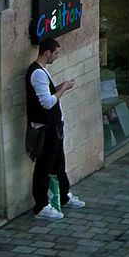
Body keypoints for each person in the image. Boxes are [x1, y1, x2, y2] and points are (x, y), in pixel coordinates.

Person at [27, 38, 85, 219]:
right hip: (46, 129)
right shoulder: (37, 73)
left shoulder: (42, 72)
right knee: (44, 166)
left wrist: (60, 86)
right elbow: (47, 102)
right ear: (47, 53)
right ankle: (41, 205)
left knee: (58, 163)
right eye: (56, 53)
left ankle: (64, 195)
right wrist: (64, 88)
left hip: (54, 127)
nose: (57, 57)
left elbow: (48, 94)